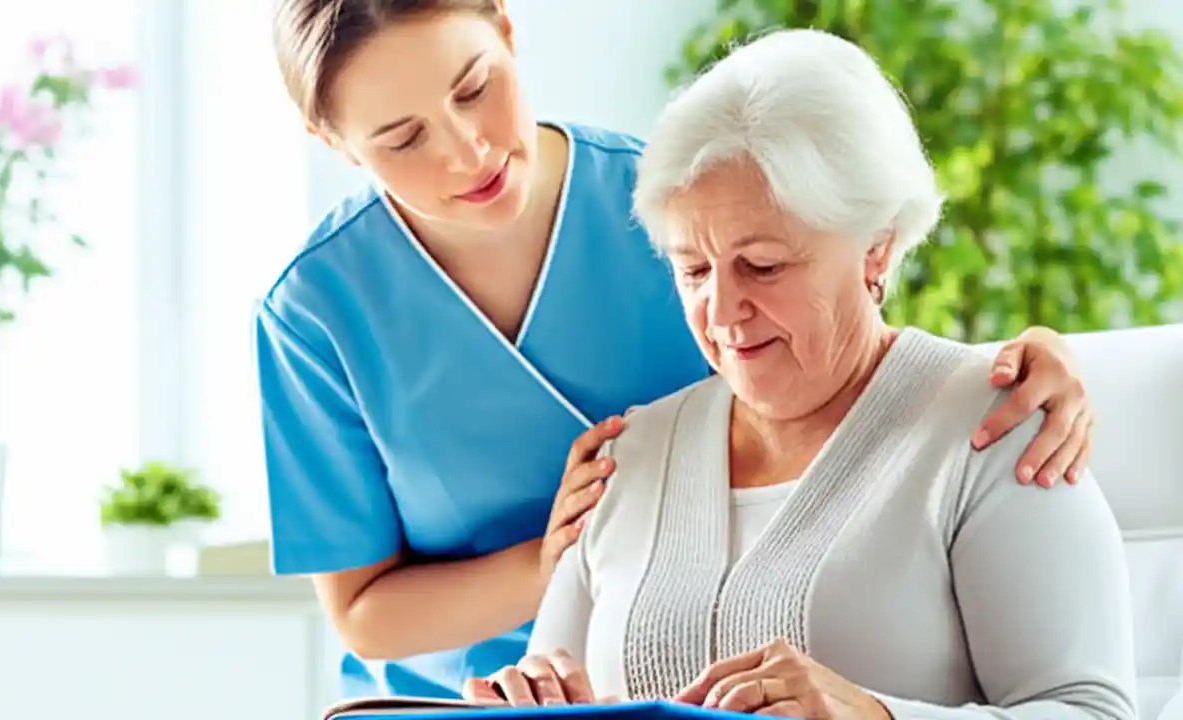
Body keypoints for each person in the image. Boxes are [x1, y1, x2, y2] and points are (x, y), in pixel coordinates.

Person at [257, 0, 1096, 700]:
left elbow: (847, 342)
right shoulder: (317, 312)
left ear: (508, 30)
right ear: (331, 142)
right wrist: (561, 560)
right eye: (402, 139)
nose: (465, 149)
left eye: (475, 89)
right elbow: (361, 607)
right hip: (499, 694)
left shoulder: (683, 196)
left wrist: (1031, 359)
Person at [463, 29, 1136, 719]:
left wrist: (876, 716)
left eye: (763, 265)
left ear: (876, 250)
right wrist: (536, 701)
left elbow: (1093, 710)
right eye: (693, 269)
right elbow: (557, 690)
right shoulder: (623, 460)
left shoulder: (1001, 426)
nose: (720, 311)